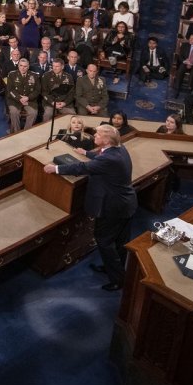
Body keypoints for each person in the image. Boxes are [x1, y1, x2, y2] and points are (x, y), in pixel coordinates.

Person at [43, 124, 136, 291]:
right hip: (125, 204)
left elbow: (82, 168)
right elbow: (100, 157)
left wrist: (55, 168)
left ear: (106, 140)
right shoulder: (119, 149)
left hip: (113, 207)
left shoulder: (108, 159)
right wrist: (87, 153)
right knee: (120, 241)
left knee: (104, 241)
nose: (94, 136)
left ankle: (118, 279)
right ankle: (115, 269)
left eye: (98, 135)